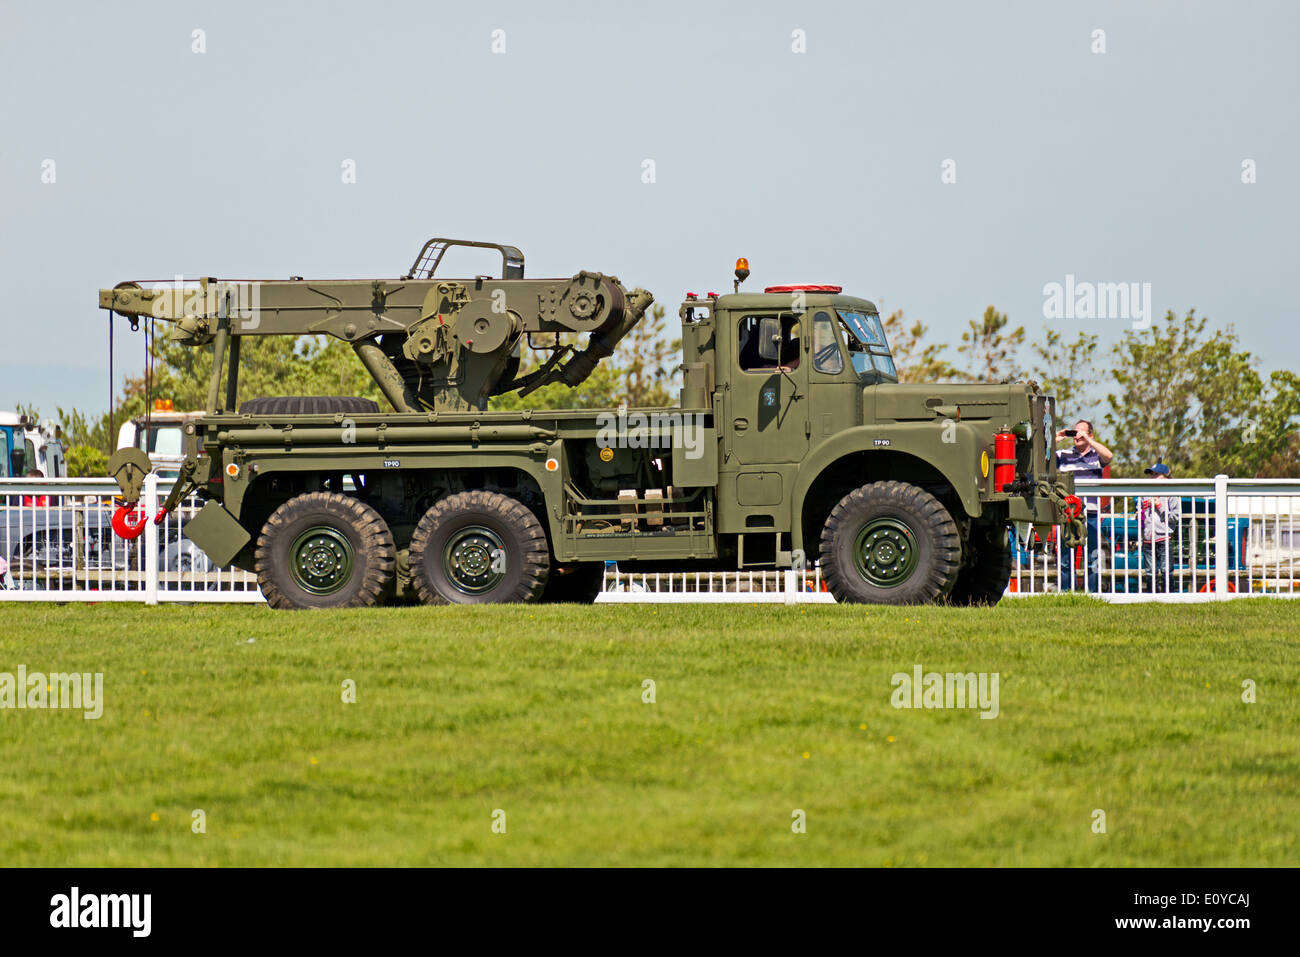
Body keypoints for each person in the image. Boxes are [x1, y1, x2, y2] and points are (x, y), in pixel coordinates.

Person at [1054, 420, 1114, 592]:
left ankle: (1093, 593)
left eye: (1082, 432)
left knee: (1092, 557)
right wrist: (1055, 440)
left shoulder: (1096, 456)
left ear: (1090, 434)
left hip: (1091, 513)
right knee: (1066, 558)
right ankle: (1067, 593)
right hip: (1068, 513)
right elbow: (1043, 459)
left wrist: (1089, 440)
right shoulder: (1063, 454)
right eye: (1075, 432)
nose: (1078, 436)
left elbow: (1109, 456)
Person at [1138, 461, 1180, 592]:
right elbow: (1139, 512)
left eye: (1156, 474)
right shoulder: (1144, 493)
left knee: (1166, 570)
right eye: (1151, 475)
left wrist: (1159, 506)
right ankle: (1152, 596)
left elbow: (1175, 517)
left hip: (1164, 538)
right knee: (1150, 572)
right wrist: (1140, 512)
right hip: (1147, 538)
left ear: (1166, 476)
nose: (1152, 477)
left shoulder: (1171, 494)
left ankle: (1169, 596)